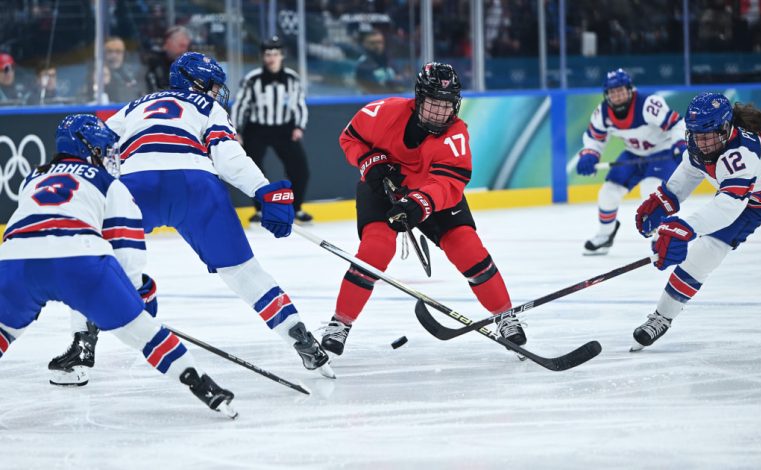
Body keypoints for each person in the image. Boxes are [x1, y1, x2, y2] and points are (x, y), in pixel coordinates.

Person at [50, 52, 334, 380]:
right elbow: (228, 154)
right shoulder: (207, 107)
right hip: (195, 185)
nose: (216, 92)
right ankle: (301, 338)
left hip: (135, 185)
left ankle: (82, 348)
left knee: (91, 259)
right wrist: (262, 189)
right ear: (194, 82)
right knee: (244, 272)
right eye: (212, 85)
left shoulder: (134, 106)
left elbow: (96, 147)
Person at [0, 114, 237, 418]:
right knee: (144, 332)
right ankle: (202, 385)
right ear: (89, 147)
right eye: (104, 148)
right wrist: (138, 295)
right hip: (79, 263)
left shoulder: (33, 177)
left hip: (13, 261)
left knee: (4, 329)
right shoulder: (108, 183)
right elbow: (126, 251)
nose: (109, 154)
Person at [320, 62, 526, 356]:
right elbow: (350, 138)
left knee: (467, 248)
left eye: (447, 105)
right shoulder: (384, 113)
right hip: (382, 190)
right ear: (418, 98)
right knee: (375, 250)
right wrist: (369, 162)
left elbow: (447, 183)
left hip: (430, 195)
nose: (441, 112)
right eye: (433, 104)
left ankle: (505, 316)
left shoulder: (455, 135)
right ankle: (340, 323)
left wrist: (419, 204)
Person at [631, 92, 761, 351]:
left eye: (708, 135)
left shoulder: (742, 152)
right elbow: (688, 174)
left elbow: (728, 206)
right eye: (696, 135)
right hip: (752, 204)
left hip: (759, 197)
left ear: (726, 128)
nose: (702, 142)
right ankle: (662, 316)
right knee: (703, 254)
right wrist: (664, 200)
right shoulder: (697, 146)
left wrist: (685, 228)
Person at [576, 68, 687, 255]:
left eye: (620, 90)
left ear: (630, 89)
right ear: (607, 94)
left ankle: (660, 236)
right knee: (608, 192)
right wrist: (589, 154)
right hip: (633, 154)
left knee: (651, 191)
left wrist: (680, 143)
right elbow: (594, 139)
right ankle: (605, 235)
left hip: (662, 151)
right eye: (612, 92)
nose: (617, 95)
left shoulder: (649, 104)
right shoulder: (602, 113)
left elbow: (676, 124)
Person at [232, 36, 314, 224]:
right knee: (253, 170)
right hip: (257, 129)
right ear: (262, 56)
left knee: (300, 169)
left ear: (282, 55)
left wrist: (299, 126)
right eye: (268, 54)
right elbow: (240, 105)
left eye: (275, 54)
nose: (271, 58)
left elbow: (300, 105)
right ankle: (261, 210)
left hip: (284, 128)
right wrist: (236, 130)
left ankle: (296, 208)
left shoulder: (292, 78)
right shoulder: (252, 79)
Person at [354, 29, 405, 94]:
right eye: (372, 43)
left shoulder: (388, 60)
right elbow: (372, 87)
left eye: (380, 42)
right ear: (364, 44)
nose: (377, 46)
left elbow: (402, 79)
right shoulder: (363, 64)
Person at [144, 25, 191, 92]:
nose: (184, 51)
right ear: (168, 43)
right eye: (181, 46)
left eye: (186, 47)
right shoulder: (151, 62)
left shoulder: (188, 65)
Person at [104, 37, 143, 103]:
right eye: (110, 51)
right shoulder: (97, 73)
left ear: (124, 54)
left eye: (118, 51)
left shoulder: (134, 73)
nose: (114, 55)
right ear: (104, 54)